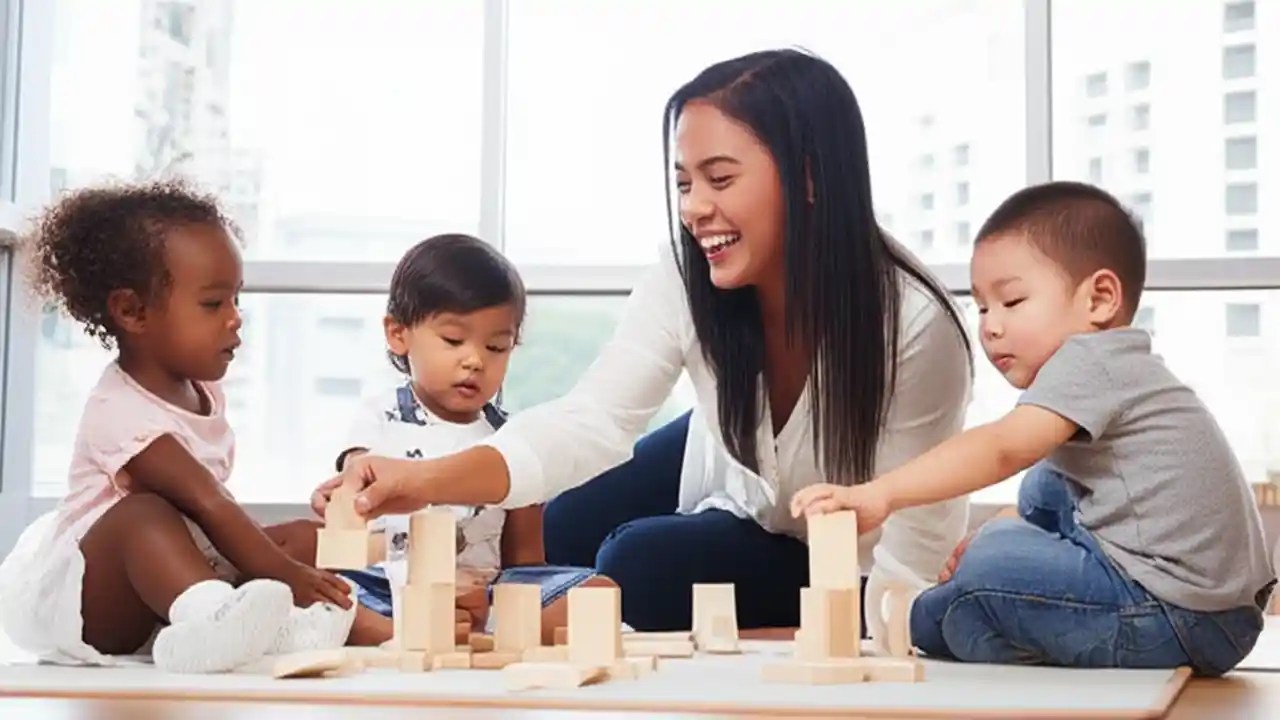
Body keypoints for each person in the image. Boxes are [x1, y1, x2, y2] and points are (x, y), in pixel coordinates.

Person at [314, 48, 974, 631]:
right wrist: (425, 480)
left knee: (637, 566)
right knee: (560, 522)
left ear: (808, 177)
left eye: (719, 179)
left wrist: (861, 636)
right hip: (724, 464)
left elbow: (911, 551)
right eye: (684, 182)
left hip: (833, 558)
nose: (692, 208)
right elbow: (592, 420)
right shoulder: (689, 275)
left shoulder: (914, 327)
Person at [791, 181, 1276, 676]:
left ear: (1100, 299)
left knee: (989, 567)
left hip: (1175, 614)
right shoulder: (1124, 369)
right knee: (1046, 483)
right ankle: (999, 607)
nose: (990, 326)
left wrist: (883, 494)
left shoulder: (1090, 361)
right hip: (1217, 613)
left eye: (1013, 301)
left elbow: (1002, 447)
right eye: (982, 307)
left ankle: (921, 616)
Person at [0, 181, 360, 674]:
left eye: (236, 300)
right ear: (132, 311)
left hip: (171, 579)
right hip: (100, 602)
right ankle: (213, 620)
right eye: (213, 305)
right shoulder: (120, 410)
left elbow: (216, 519)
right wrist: (283, 574)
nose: (236, 320)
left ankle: (247, 623)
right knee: (144, 516)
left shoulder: (203, 392)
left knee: (303, 536)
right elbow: (207, 501)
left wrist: (291, 561)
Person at [320, 234, 614, 644]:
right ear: (398, 334)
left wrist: (507, 598)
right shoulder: (381, 415)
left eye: (497, 347)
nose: (475, 360)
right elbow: (353, 488)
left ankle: (478, 628)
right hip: (390, 589)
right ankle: (400, 629)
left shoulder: (512, 439)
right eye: (454, 341)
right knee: (315, 589)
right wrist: (344, 497)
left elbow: (526, 559)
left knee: (597, 594)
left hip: (484, 593)